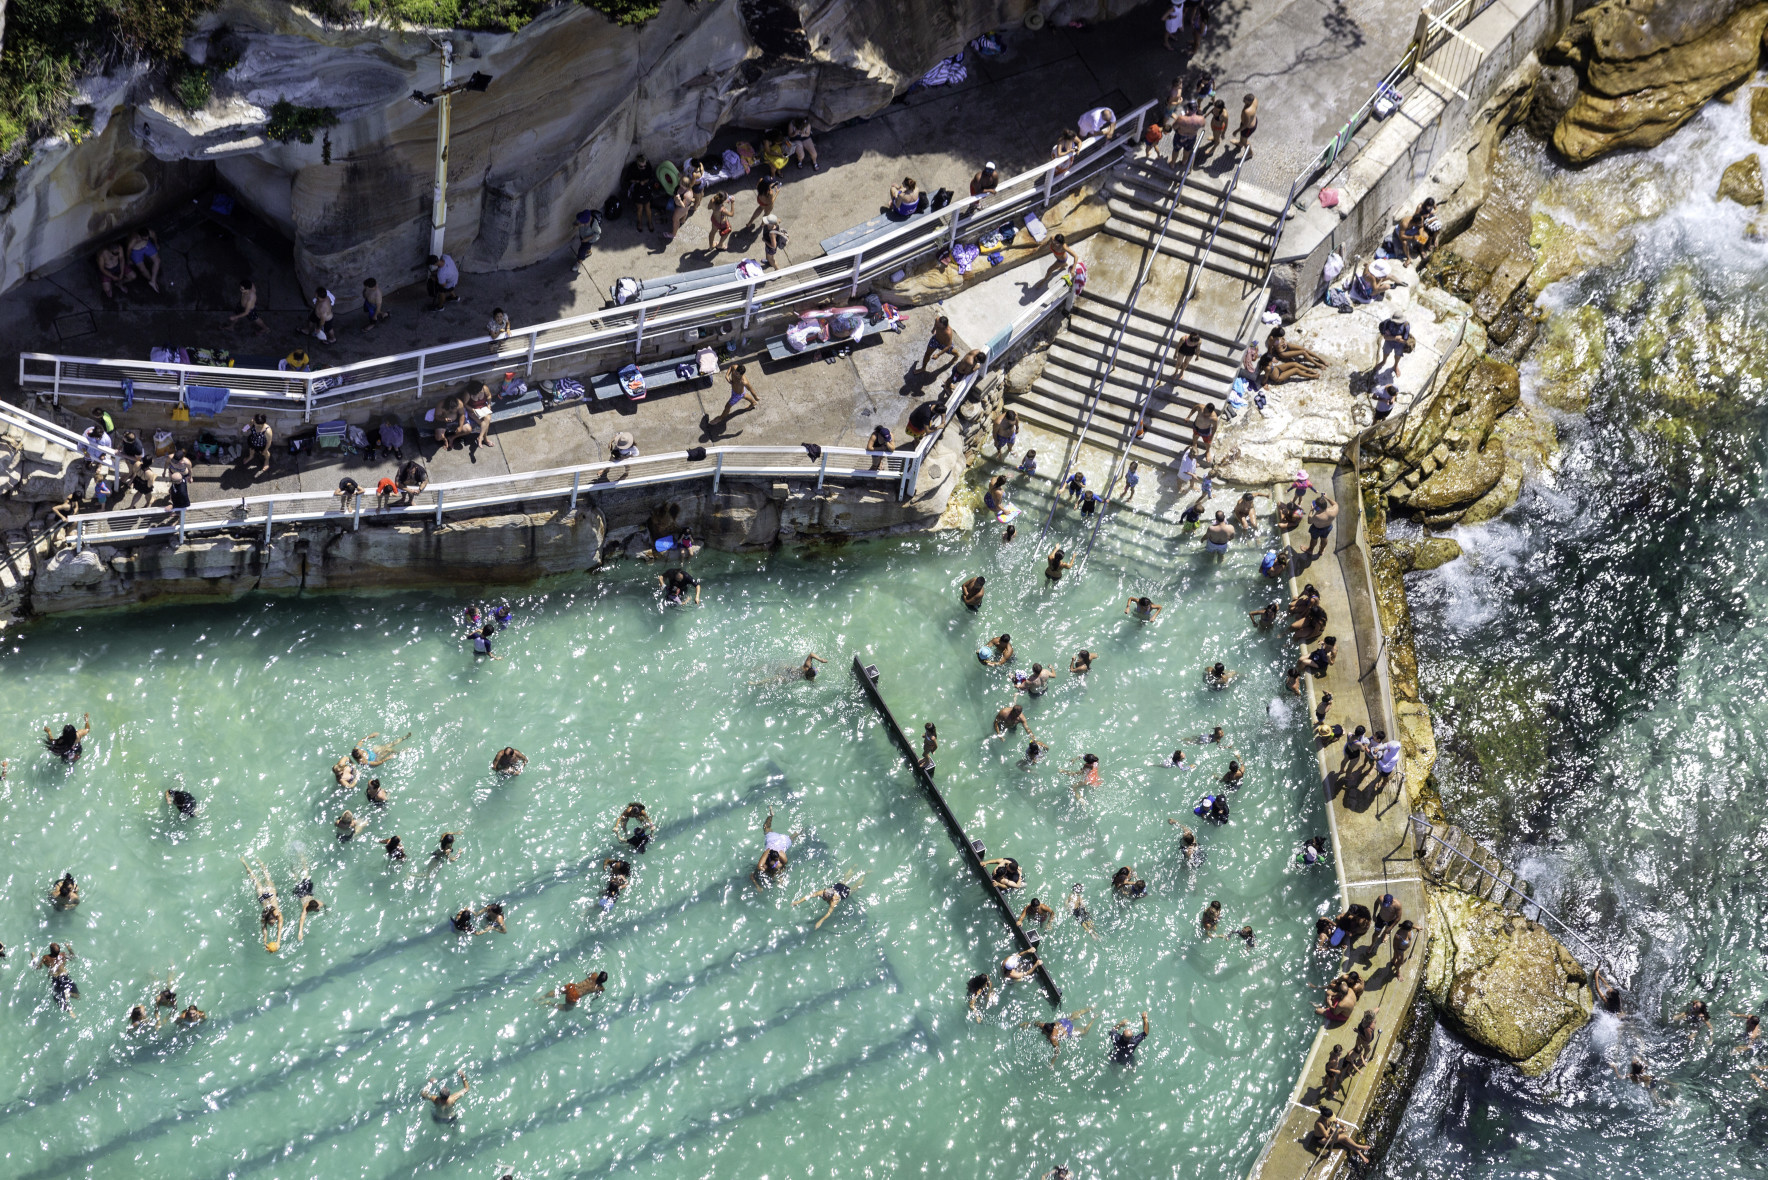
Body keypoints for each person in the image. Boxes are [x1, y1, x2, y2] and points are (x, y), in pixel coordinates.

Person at [794, 870, 865, 929]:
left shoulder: (833, 902)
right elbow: (809, 896)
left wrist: (820, 921)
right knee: (844, 881)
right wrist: (798, 902)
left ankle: (864, 876)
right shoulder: (822, 892)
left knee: (854, 888)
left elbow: (829, 913)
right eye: (823, 896)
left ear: (831, 898)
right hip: (837, 887)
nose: (823, 897)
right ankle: (853, 868)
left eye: (825, 897)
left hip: (843, 893)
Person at [241, 857, 283, 952]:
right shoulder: (277, 915)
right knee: (265, 877)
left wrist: (267, 942)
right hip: (269, 894)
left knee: (256, 879)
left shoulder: (266, 917)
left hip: (264, 896)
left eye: (272, 923)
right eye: (272, 923)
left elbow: (266, 930)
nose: (273, 924)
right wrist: (276, 942)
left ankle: (248, 862)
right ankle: (255, 862)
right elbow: (278, 930)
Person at [1025, 1008, 1095, 1064]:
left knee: (1084, 1032)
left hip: (1067, 1031)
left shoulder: (1053, 1038)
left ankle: (1093, 1019)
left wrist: (1052, 1062)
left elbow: (1057, 1050)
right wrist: (1027, 1024)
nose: (1042, 1032)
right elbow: (1035, 1023)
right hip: (1063, 1022)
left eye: (1043, 1031)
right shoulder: (1044, 1025)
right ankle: (1091, 1008)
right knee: (1072, 1017)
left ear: (1048, 1032)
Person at [755, 806, 795, 884]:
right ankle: (801, 831)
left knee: (766, 827)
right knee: (791, 838)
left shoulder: (778, 859)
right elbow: (783, 867)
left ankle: (771, 815)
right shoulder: (777, 861)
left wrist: (781, 878)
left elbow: (783, 867)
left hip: (779, 841)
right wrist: (780, 878)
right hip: (778, 841)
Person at [1372, 729, 1404, 794]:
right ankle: (1379, 773)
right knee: (1380, 771)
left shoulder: (1394, 758)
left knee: (1384, 776)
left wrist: (1378, 760)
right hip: (1382, 763)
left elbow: (1386, 767)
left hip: (1386, 770)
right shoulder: (1391, 747)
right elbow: (1385, 745)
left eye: (1389, 748)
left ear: (1392, 749)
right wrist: (1378, 748)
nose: (1387, 748)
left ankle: (1384, 783)